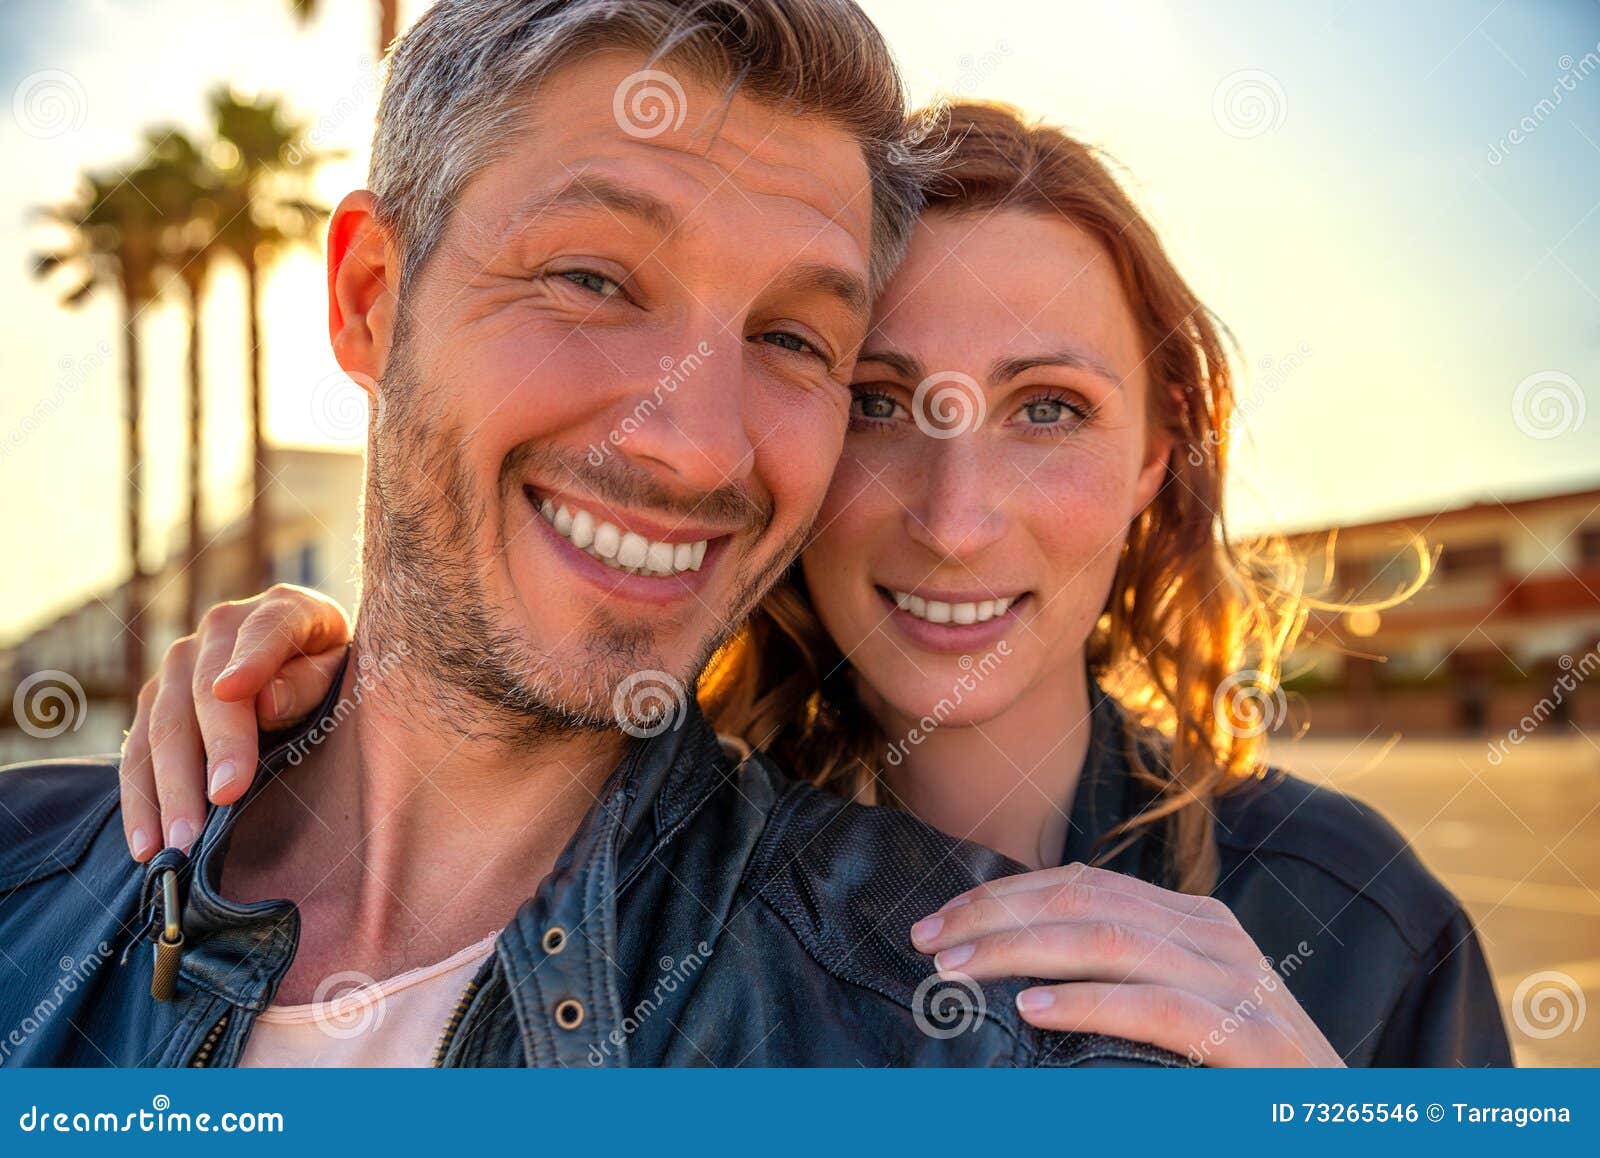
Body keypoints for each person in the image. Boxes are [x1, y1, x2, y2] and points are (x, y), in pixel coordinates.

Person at [121, 103, 1512, 1067]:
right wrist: (333, 709)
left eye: (1048, 411)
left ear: (1157, 458)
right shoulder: (620, 866)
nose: (957, 523)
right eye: (878, 401)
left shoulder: (1366, 919)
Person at [0, 0, 1185, 1070]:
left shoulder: (1003, 1043)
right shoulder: (30, 882)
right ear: (370, 297)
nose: (700, 447)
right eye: (592, 280)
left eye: (790, 340)